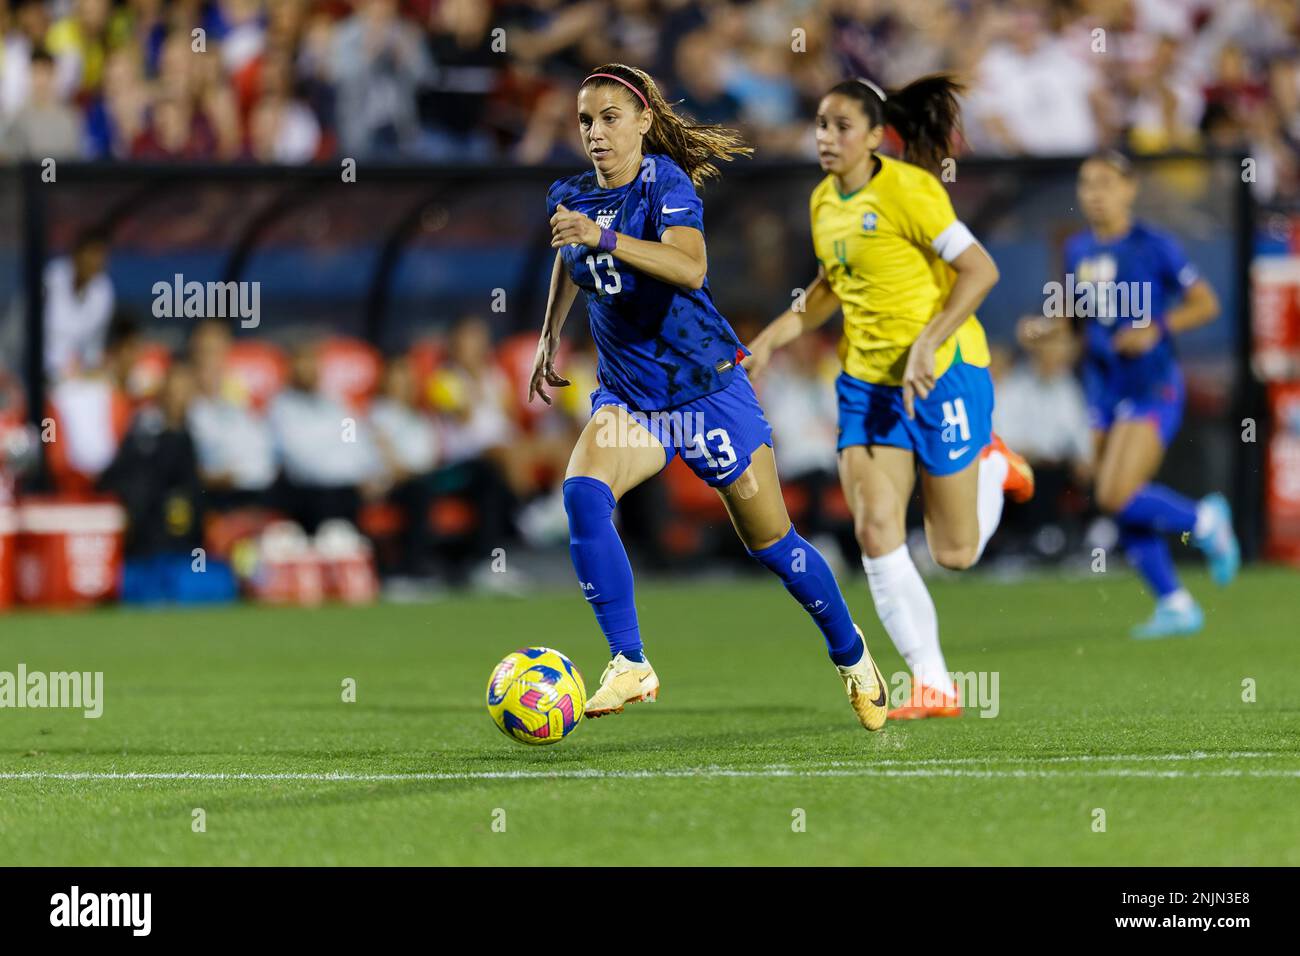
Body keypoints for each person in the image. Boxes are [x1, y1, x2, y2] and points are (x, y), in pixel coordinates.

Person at [531, 62, 889, 730]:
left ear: (643, 120)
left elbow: (689, 266)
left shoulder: (662, 183)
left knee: (774, 545)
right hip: (632, 402)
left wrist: (601, 236)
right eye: (585, 121)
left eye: (610, 117)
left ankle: (854, 657)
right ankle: (630, 661)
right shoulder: (574, 194)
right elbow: (570, 259)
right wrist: (550, 334)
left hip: (706, 394)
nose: (596, 133)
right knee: (583, 493)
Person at [745, 75, 1032, 720]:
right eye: (820, 123)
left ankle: (992, 463)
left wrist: (930, 341)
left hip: (944, 372)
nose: (826, 137)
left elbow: (981, 268)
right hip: (868, 384)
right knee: (875, 529)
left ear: (876, 136)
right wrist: (773, 337)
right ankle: (934, 683)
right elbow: (829, 286)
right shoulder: (824, 202)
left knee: (954, 554)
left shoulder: (912, 190)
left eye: (842, 126)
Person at [1019, 151, 1238, 638]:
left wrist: (1155, 327)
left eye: (1104, 183)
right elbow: (1075, 322)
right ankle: (1176, 602)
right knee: (1112, 496)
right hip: (1103, 389)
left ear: (1129, 189)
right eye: (1085, 183)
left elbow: (1206, 303)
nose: (1093, 193)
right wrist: (1042, 329)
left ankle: (1203, 519)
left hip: (1150, 385)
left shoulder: (1153, 245)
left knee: (1117, 492)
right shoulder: (1077, 249)